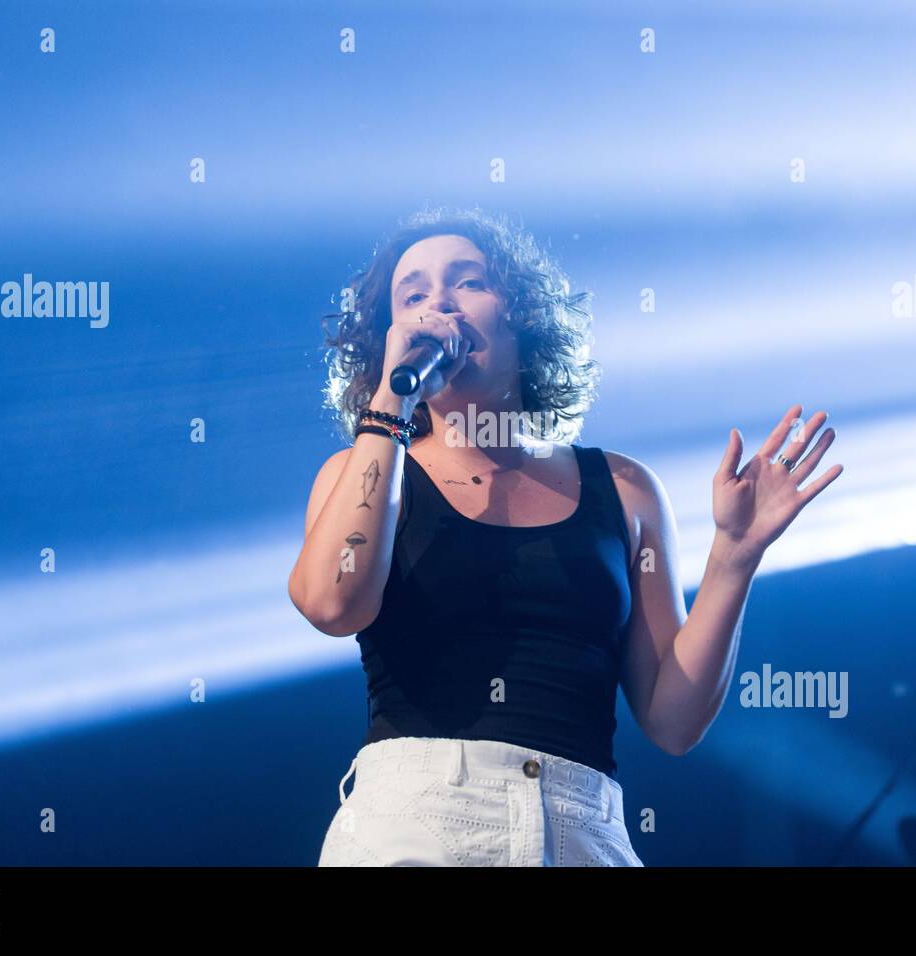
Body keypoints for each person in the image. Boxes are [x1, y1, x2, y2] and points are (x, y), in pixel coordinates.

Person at [288, 207, 843, 866]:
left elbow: (672, 722)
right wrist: (391, 402)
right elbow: (331, 604)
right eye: (413, 296)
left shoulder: (624, 488)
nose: (438, 303)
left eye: (467, 281)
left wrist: (734, 556)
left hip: (583, 830)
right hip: (416, 825)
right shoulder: (371, 476)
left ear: (520, 313)